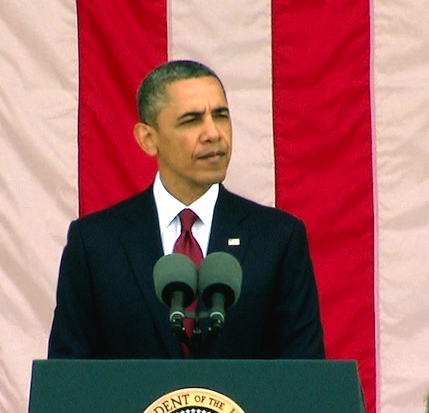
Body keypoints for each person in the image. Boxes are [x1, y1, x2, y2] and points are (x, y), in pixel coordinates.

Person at [47, 59, 325, 359]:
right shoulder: (96, 243)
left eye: (220, 116)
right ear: (148, 138)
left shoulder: (278, 238)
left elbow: (303, 376)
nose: (213, 133)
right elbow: (68, 378)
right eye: (191, 120)